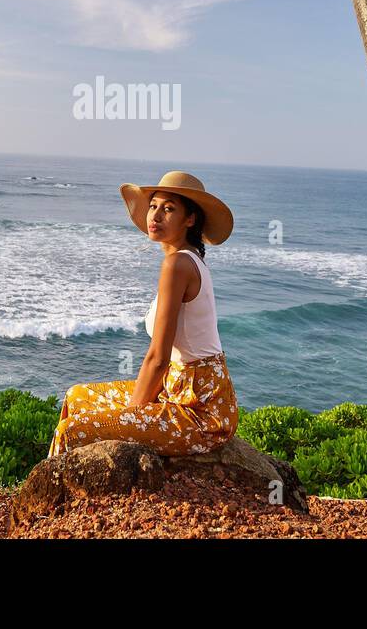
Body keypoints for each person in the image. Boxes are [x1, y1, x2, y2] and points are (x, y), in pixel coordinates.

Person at [47, 171, 239, 458]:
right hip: (174, 391)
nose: (156, 215)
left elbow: (158, 358)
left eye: (169, 208)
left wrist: (129, 417)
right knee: (77, 397)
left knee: (71, 430)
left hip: (200, 412)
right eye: (153, 206)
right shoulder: (185, 259)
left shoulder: (178, 265)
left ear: (190, 219)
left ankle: (58, 501)